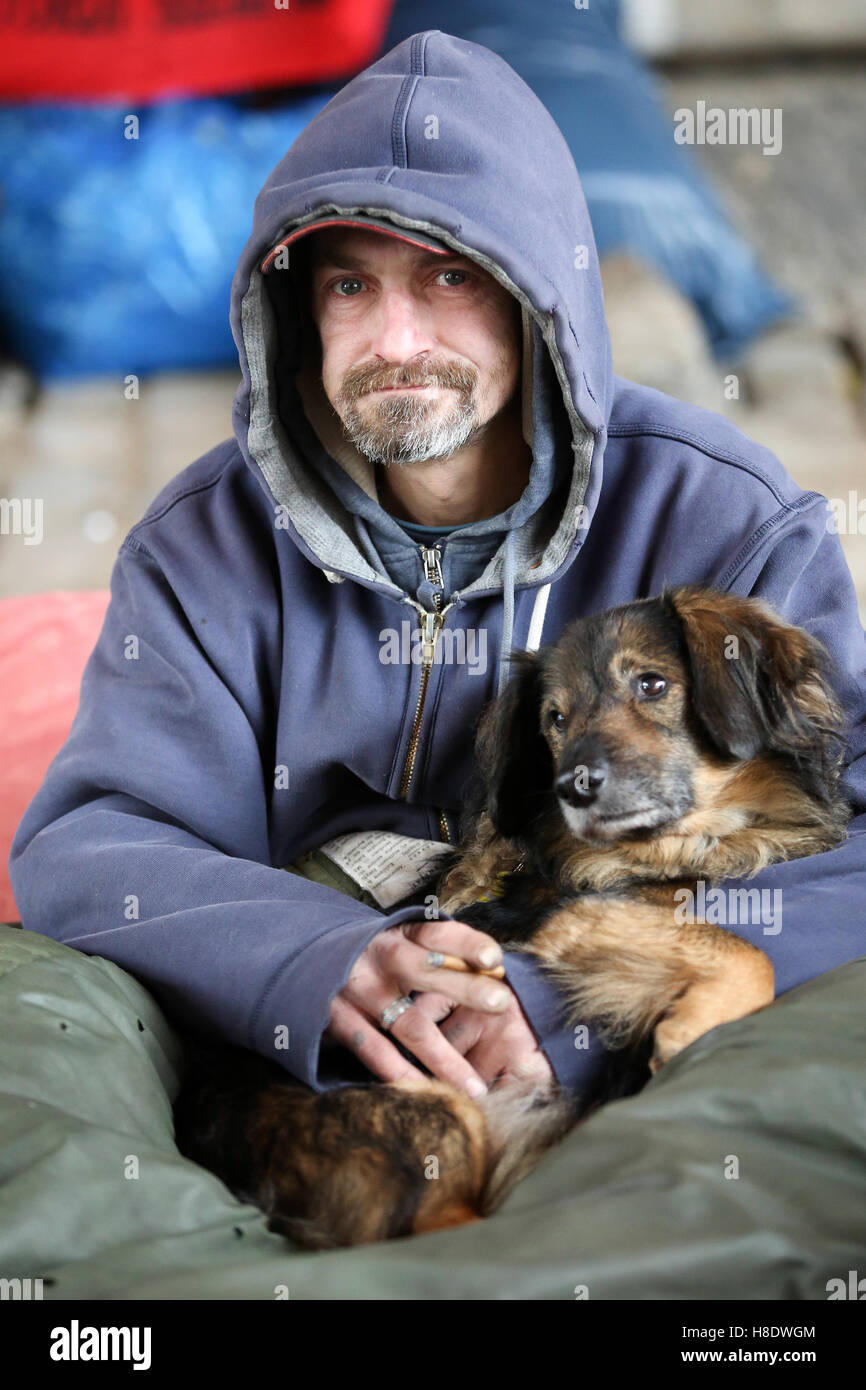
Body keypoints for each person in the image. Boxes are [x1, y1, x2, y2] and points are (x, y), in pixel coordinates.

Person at [10, 30, 866, 1106]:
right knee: (30, 1029)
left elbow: (853, 828)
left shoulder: (723, 514)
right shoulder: (202, 545)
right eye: (350, 286)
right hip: (288, 1056)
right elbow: (91, 844)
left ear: (537, 300)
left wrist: (558, 1011)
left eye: (450, 276)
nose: (395, 340)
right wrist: (318, 960)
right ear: (297, 312)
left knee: (788, 1116)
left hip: (626, 1046)